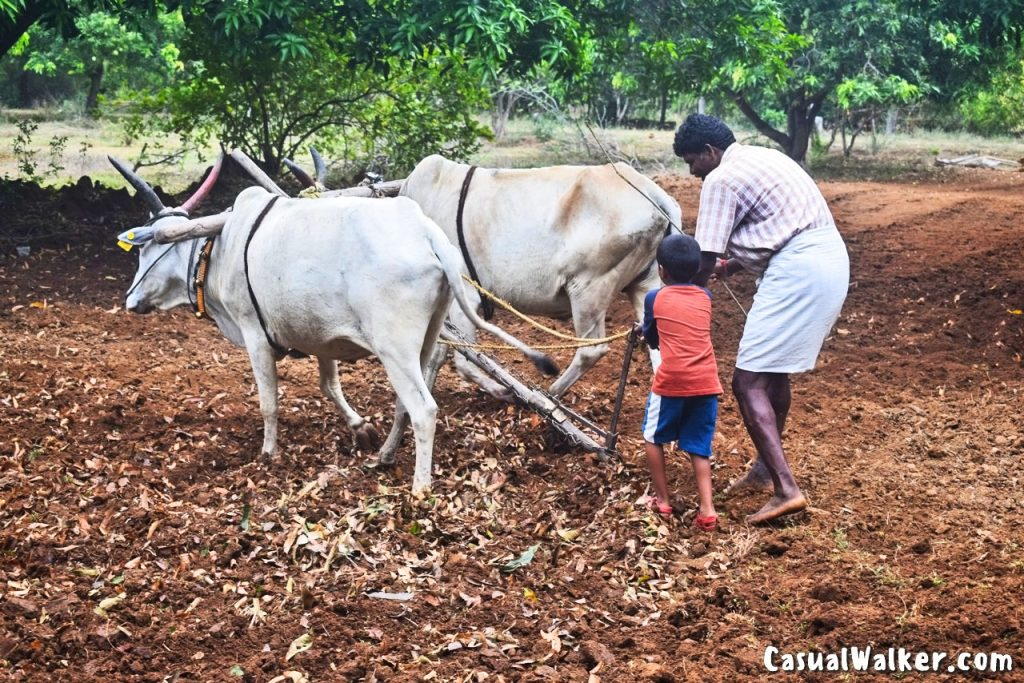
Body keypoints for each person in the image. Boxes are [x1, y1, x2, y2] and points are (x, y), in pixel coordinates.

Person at [673, 113, 849, 524]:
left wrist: (681, 296)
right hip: (828, 258)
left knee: (747, 380)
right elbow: (775, 227)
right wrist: (729, 269)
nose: (692, 172)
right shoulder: (761, 157)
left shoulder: (720, 178)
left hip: (798, 268)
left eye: (691, 161)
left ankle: (787, 490)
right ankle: (765, 472)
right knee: (774, 372)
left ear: (710, 152)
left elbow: (704, 256)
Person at [639, 233, 723, 531]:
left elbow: (652, 338)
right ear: (698, 267)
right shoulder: (706, 297)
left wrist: (643, 331)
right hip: (707, 382)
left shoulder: (654, 297)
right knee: (699, 446)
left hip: (672, 381)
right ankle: (708, 510)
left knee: (652, 436)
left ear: (661, 270)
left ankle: (662, 501)